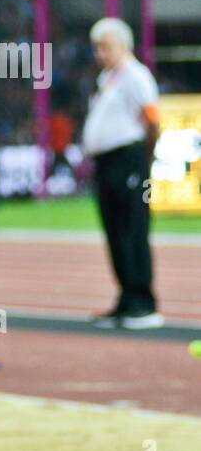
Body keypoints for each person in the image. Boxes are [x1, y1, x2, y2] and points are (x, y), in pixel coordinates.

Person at [81, 17, 163, 329]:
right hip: (108, 163)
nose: (100, 53)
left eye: (105, 46)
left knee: (132, 230)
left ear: (124, 45)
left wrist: (145, 157)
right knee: (115, 232)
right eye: (97, 47)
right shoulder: (108, 78)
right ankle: (126, 299)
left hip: (129, 159)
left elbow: (152, 119)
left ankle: (144, 303)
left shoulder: (136, 76)